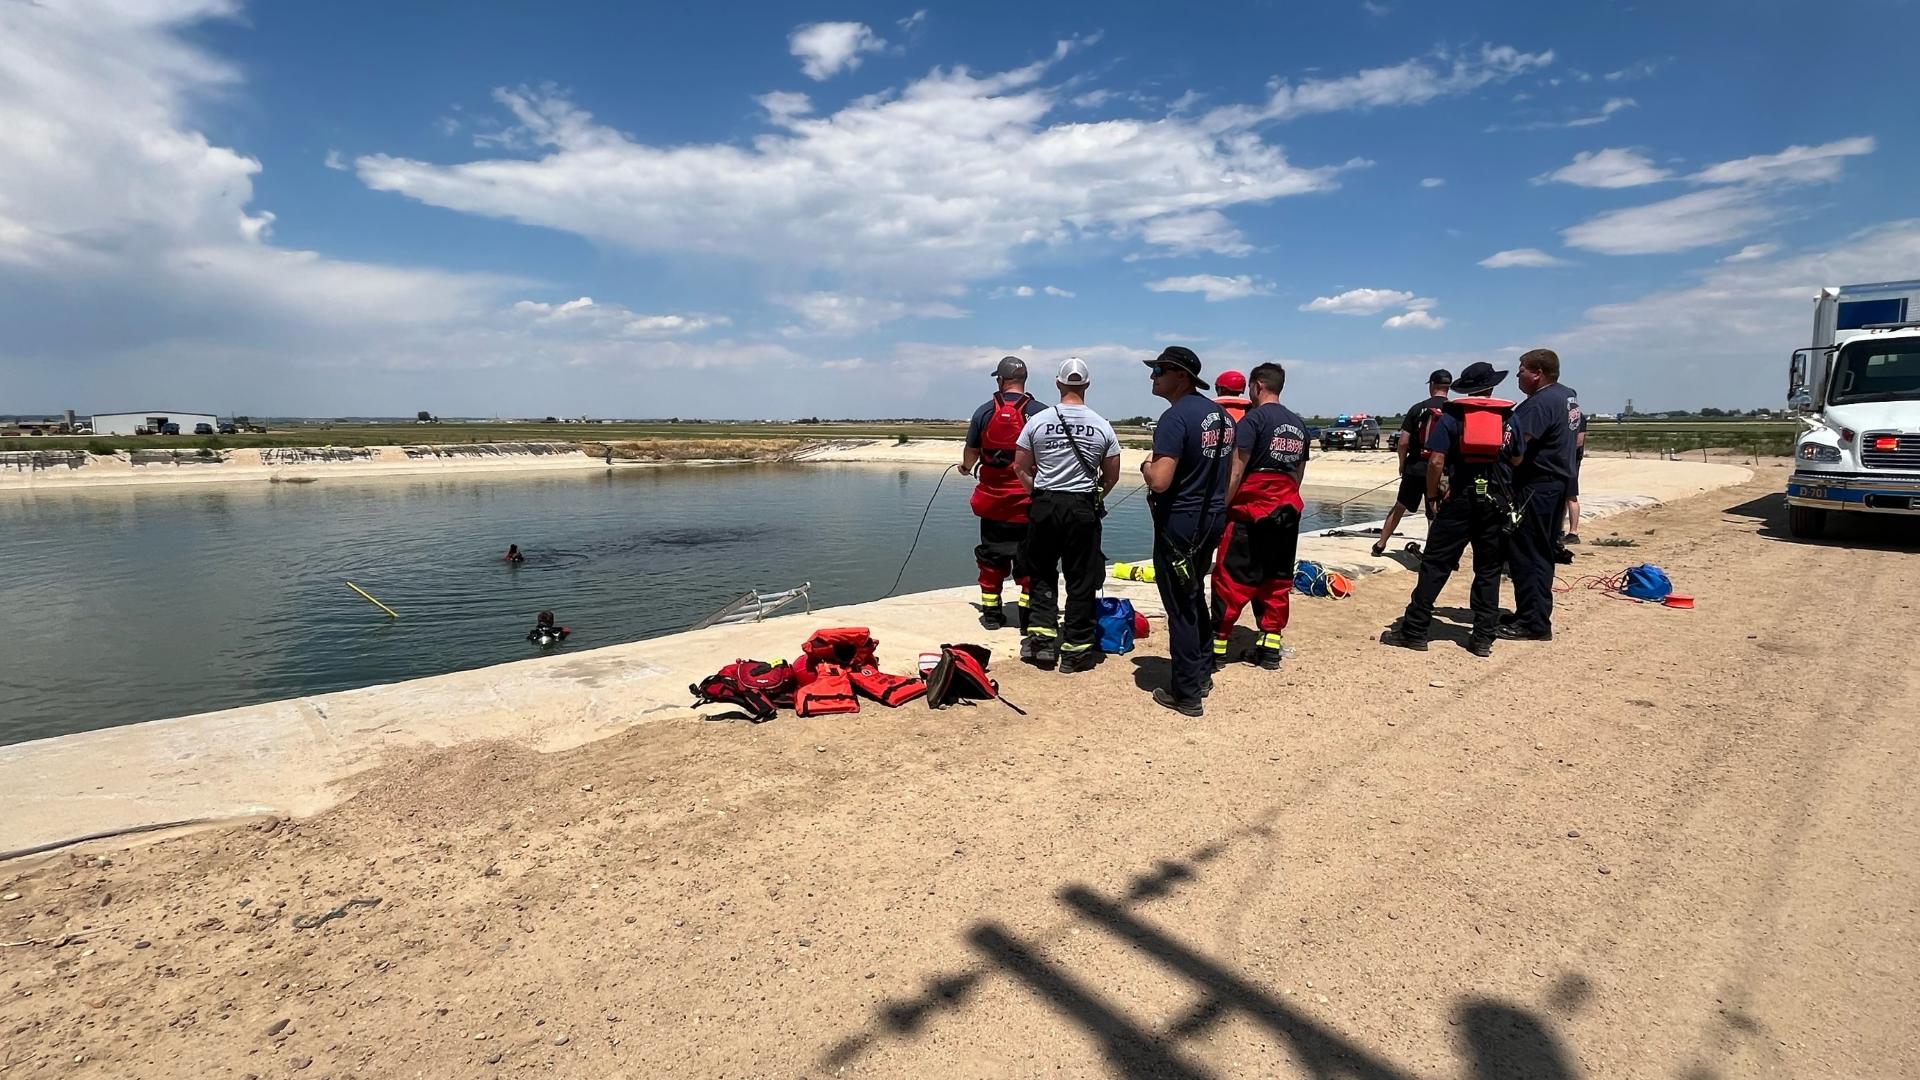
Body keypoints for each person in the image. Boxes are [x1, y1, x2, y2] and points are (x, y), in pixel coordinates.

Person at [1380, 362, 1514, 656]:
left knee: (1435, 566)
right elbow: (1517, 459)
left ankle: (1415, 631)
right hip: (1494, 502)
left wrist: (1432, 497)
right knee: (1488, 570)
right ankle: (1482, 637)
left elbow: (1436, 460)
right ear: (1491, 388)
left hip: (1459, 501)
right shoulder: (1508, 417)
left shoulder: (1454, 416)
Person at [1013, 357, 1121, 673]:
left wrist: (1036, 492)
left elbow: (1020, 465)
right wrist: (1096, 495)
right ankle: (1075, 651)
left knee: (1043, 572)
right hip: (1082, 506)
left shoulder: (1038, 421)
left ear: (1058, 383)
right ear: (1086, 385)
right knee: (1081, 579)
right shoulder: (1102, 425)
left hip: (1045, 504)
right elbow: (1111, 474)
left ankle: (1043, 643)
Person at [1140, 346, 1231, 716]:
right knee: (1193, 593)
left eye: (1159, 370)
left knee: (1179, 604)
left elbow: (1161, 481)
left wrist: (1146, 466)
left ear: (1180, 375)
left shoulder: (1175, 418)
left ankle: (1186, 693)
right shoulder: (1222, 417)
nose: (1153, 377)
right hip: (1211, 519)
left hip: (1180, 521)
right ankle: (1203, 669)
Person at [1210, 363, 1309, 671]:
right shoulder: (1299, 424)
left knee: (1231, 578)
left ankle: (1217, 649)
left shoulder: (1253, 420)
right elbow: (1299, 472)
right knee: (1276, 579)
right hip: (1287, 512)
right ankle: (1269, 648)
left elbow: (1238, 468)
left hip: (1250, 512)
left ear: (1256, 386)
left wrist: (1222, 507)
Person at [1498, 349, 1579, 642]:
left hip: (1536, 487)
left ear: (1537, 373)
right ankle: (1531, 613)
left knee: (1526, 553)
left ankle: (1533, 623)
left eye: (1521, 371)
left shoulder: (1539, 404)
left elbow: (1517, 450)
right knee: (1542, 551)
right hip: (1556, 485)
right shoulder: (1566, 396)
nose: (1517, 376)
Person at [961, 356, 1048, 631]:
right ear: (1024, 381)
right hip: (1028, 503)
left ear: (1000, 380)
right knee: (1030, 562)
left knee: (991, 558)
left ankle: (991, 614)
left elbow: (971, 452)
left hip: (993, 504)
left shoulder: (984, 412)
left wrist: (965, 467)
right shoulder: (1041, 412)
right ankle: (1026, 619)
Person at [1372, 369, 1453, 558]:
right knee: (1435, 511)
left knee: (1400, 505)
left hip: (1415, 467)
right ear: (1448, 387)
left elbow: (1403, 442)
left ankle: (1380, 544)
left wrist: (1402, 464)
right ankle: (1434, 552)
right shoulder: (1455, 410)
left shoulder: (1418, 409)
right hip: (1441, 469)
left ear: (1432, 385)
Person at [1561, 390, 1588, 544]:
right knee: (1562, 497)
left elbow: (1579, 441)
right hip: (1565, 460)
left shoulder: (1579, 417)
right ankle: (1560, 530)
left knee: (1571, 496)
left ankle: (1573, 532)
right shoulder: (1567, 416)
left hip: (1570, 461)